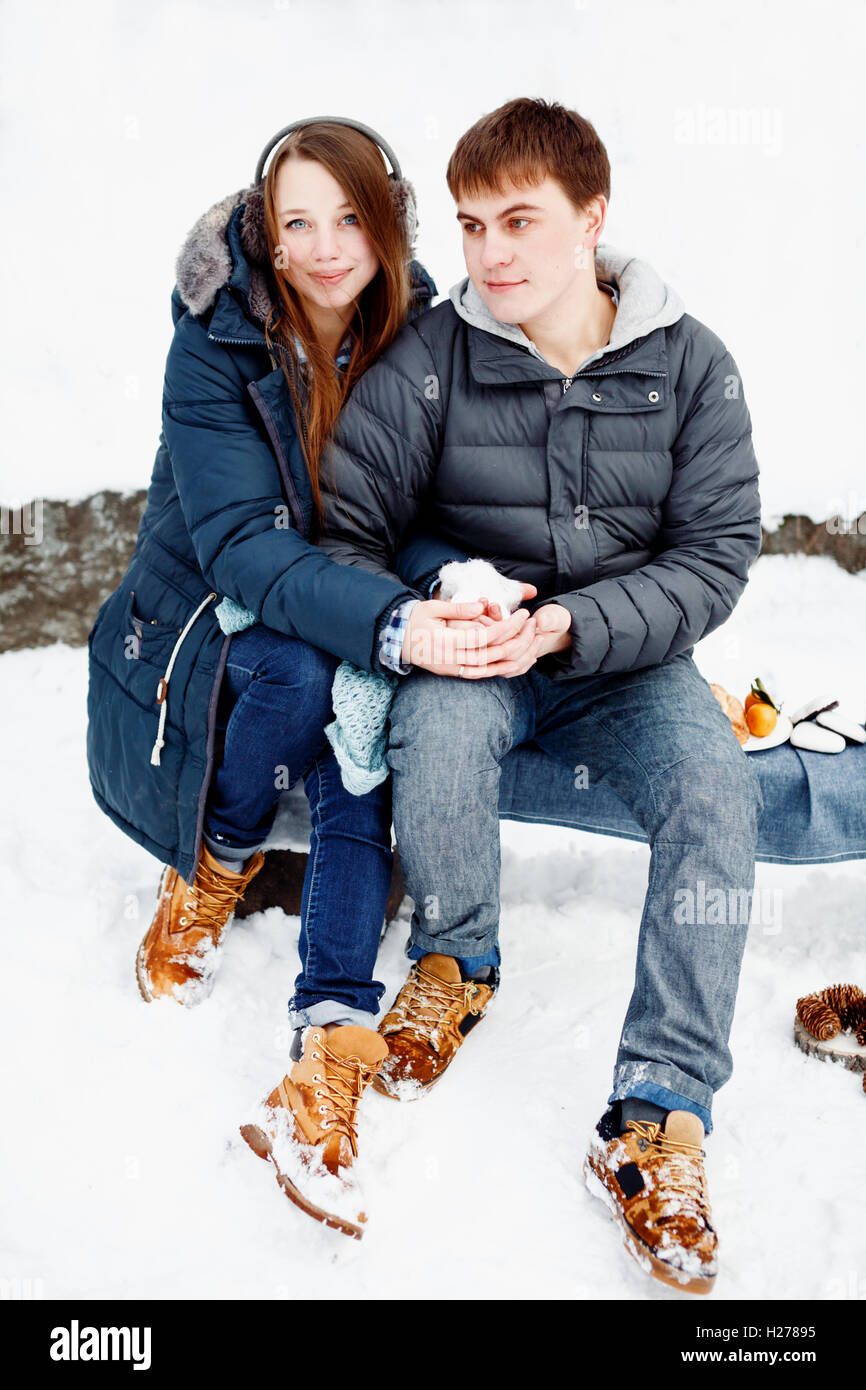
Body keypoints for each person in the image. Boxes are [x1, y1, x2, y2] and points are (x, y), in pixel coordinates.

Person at [317, 97, 764, 1291]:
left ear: (593, 218)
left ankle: (657, 1111)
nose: (488, 255)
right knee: (437, 721)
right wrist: (442, 595)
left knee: (717, 791)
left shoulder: (690, 364)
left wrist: (580, 621)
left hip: (628, 663)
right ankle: (456, 959)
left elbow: (716, 550)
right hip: (479, 652)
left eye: (518, 220)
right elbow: (350, 529)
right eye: (468, 226)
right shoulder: (429, 360)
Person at [85, 117, 527, 1237]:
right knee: (294, 671)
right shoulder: (215, 337)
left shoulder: (420, 332)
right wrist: (393, 622)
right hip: (216, 606)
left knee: (358, 749)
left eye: (350, 220)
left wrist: (449, 582)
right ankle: (214, 862)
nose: (327, 248)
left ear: (387, 228)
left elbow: (418, 514)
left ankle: (327, 1047)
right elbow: (237, 541)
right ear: (265, 235)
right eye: (298, 224)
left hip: (349, 594)